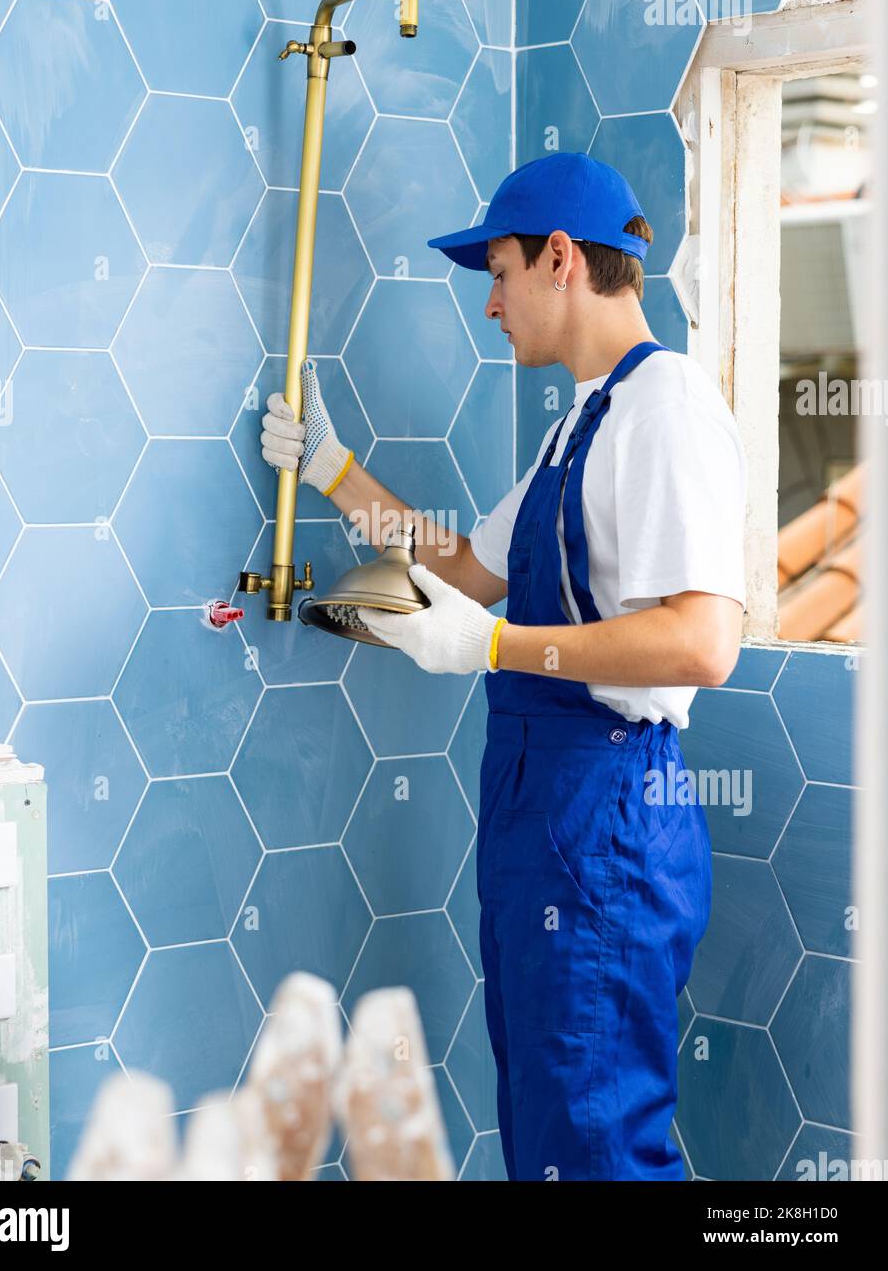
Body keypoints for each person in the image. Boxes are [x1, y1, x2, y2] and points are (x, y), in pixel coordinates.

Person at [260, 151, 747, 1181]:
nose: (490, 304)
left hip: (608, 822)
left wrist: (493, 648)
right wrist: (333, 469)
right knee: (546, 1132)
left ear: (561, 258)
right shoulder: (586, 422)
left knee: (596, 1140)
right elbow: (466, 567)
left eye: (499, 271)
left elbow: (704, 640)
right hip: (545, 819)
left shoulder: (667, 409)